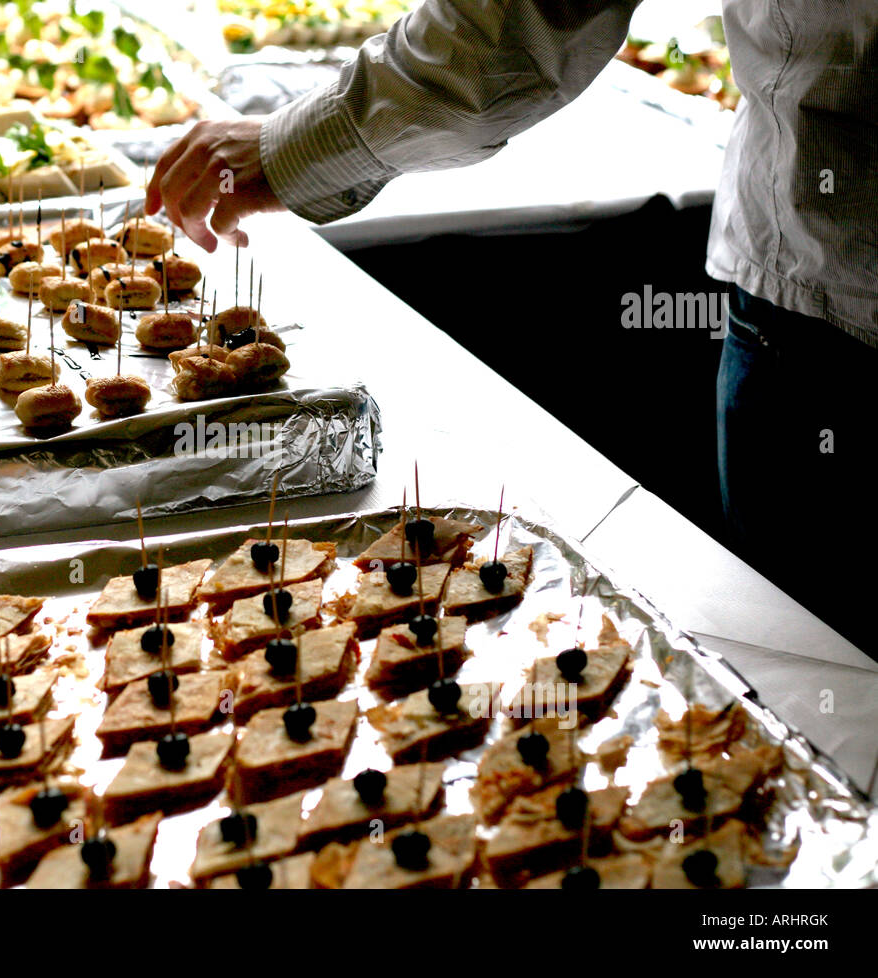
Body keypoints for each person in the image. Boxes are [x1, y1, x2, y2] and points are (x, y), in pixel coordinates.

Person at [148, 1, 878, 653]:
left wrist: (292, 149)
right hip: (827, 293)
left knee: (828, 671)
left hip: (828, 315)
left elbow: (521, 22)